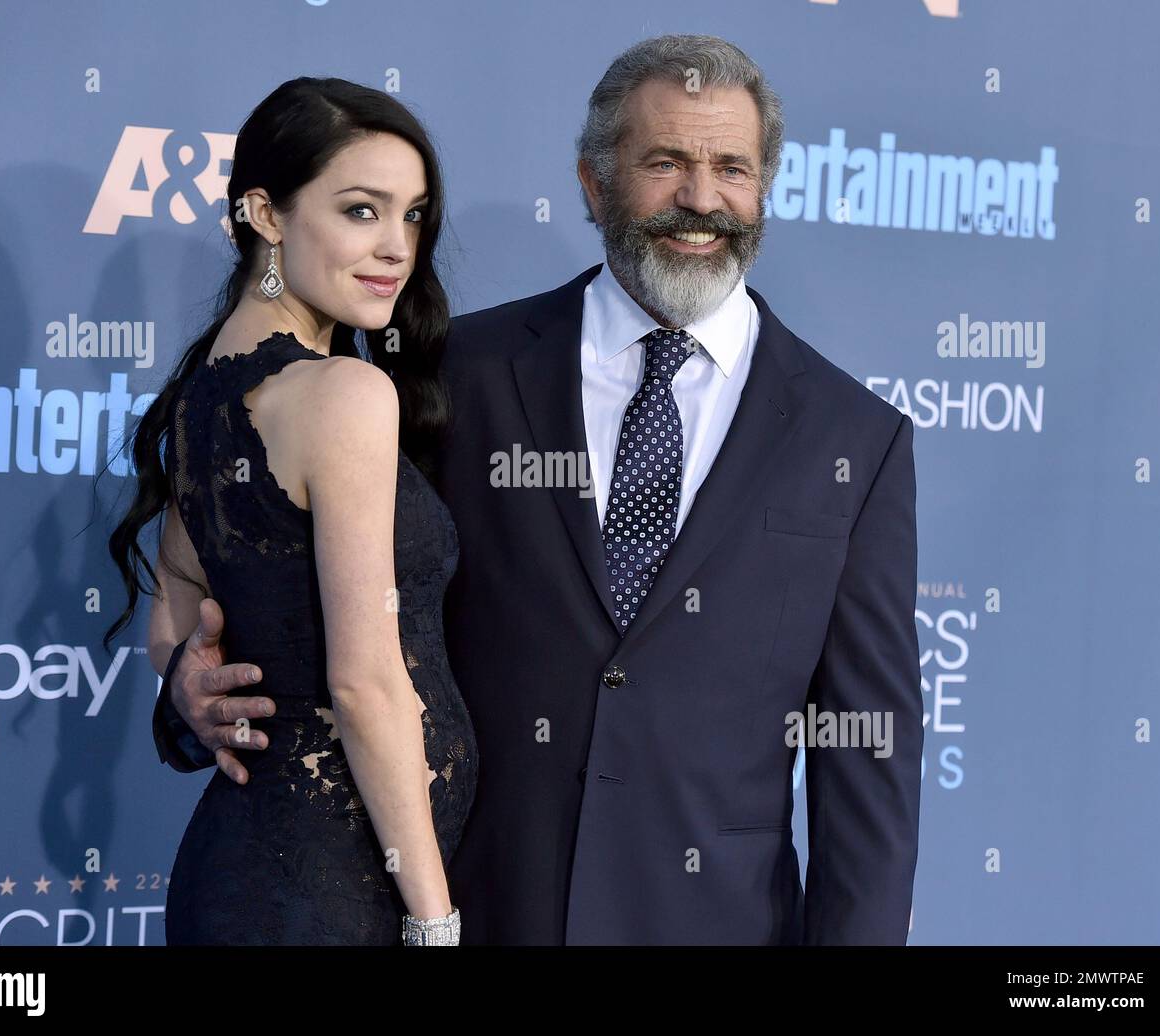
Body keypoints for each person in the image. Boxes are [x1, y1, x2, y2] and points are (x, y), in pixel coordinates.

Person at [156, 35, 922, 945]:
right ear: (594, 184)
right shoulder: (453, 374)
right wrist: (184, 690)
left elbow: (867, 749)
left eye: (733, 167)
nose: (701, 198)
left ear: (765, 189)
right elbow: (291, 581)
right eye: (665, 161)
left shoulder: (855, 438)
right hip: (469, 906)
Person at [105, 77, 477, 945]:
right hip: (332, 893)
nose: (397, 249)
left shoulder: (207, 394)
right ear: (266, 214)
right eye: (360, 211)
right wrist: (434, 919)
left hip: (254, 878)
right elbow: (364, 683)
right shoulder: (344, 393)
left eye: (414, 216)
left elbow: (175, 611)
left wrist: (187, 687)